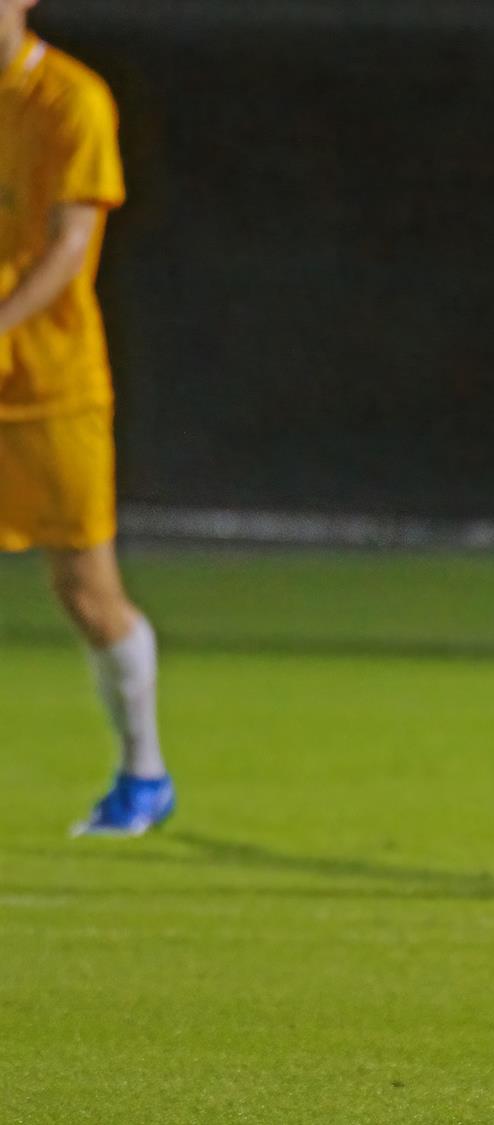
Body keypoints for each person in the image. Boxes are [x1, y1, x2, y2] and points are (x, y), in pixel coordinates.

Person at [0, 0, 173, 836]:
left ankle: (143, 771)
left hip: (50, 386)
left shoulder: (72, 100)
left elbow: (70, 247)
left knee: (86, 593)